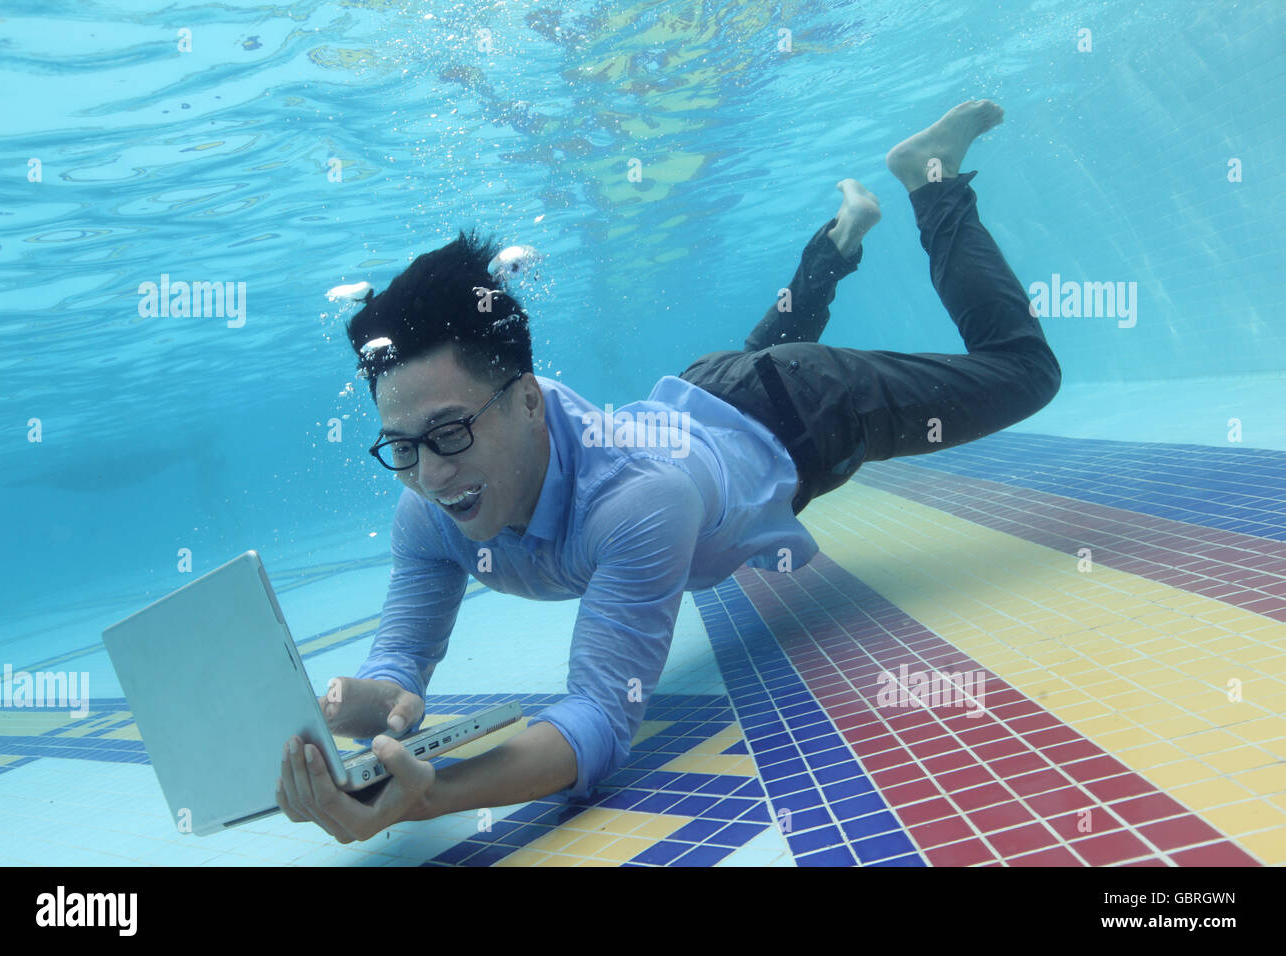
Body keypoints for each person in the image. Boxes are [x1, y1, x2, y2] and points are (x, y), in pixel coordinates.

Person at [275, 99, 1061, 843]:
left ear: (525, 402)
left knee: (1024, 372)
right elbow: (398, 673)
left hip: (807, 411)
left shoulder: (638, 504)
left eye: (448, 434)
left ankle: (932, 178)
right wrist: (336, 710)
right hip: (699, 396)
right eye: (401, 446)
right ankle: (841, 236)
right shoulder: (426, 506)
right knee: (760, 348)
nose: (430, 477)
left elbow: (598, 719)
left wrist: (438, 792)